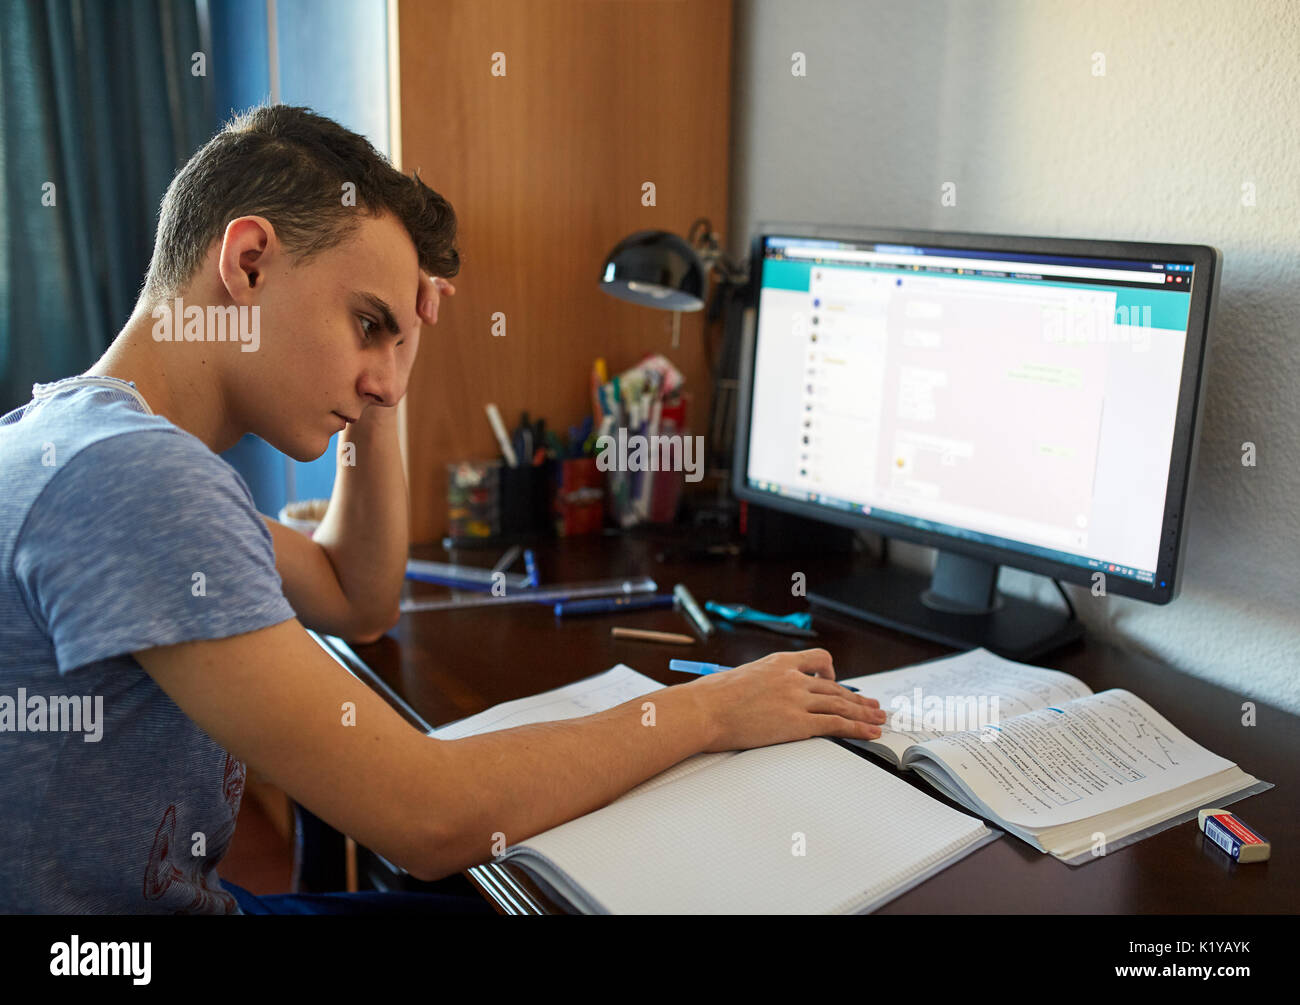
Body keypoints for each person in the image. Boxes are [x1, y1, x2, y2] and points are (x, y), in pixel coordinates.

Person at [0, 104, 886, 914]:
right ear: (249, 261)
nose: (387, 377)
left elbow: (357, 594)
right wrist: (711, 711)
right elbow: (427, 819)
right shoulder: (135, 480)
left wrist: (380, 391)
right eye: (367, 323)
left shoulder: (82, 441)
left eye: (401, 342)